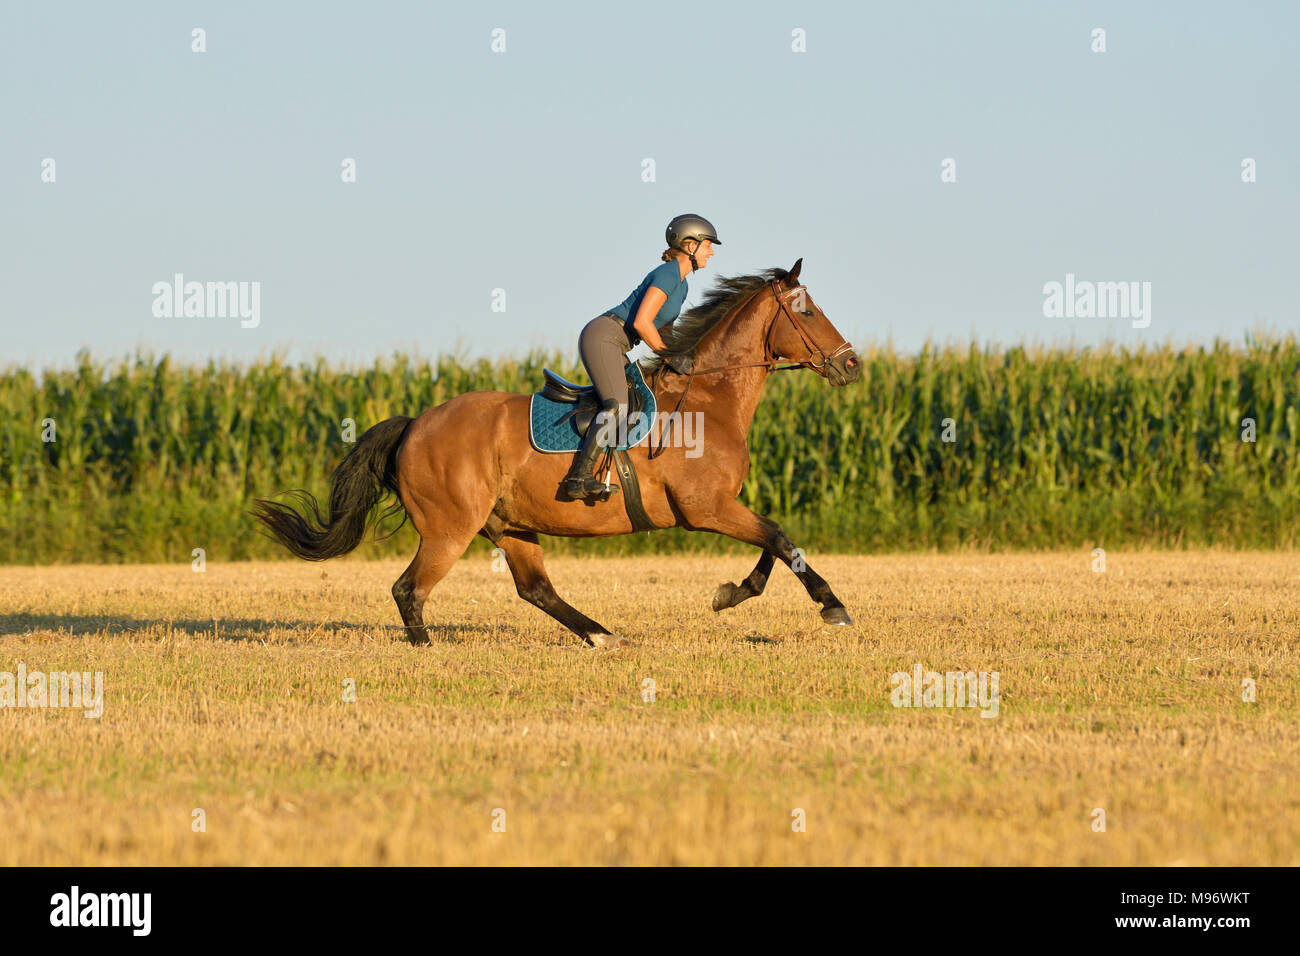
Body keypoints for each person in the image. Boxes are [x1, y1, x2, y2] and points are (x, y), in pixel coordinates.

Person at [562, 214, 720, 499]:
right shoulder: (668, 274)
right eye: (708, 244)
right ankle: (578, 477)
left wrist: (686, 358)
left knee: (635, 400)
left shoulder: (681, 285)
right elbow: (643, 323)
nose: (712, 251)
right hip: (604, 336)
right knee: (618, 405)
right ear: (690, 245)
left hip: (616, 343)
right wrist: (667, 355)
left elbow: (665, 330)